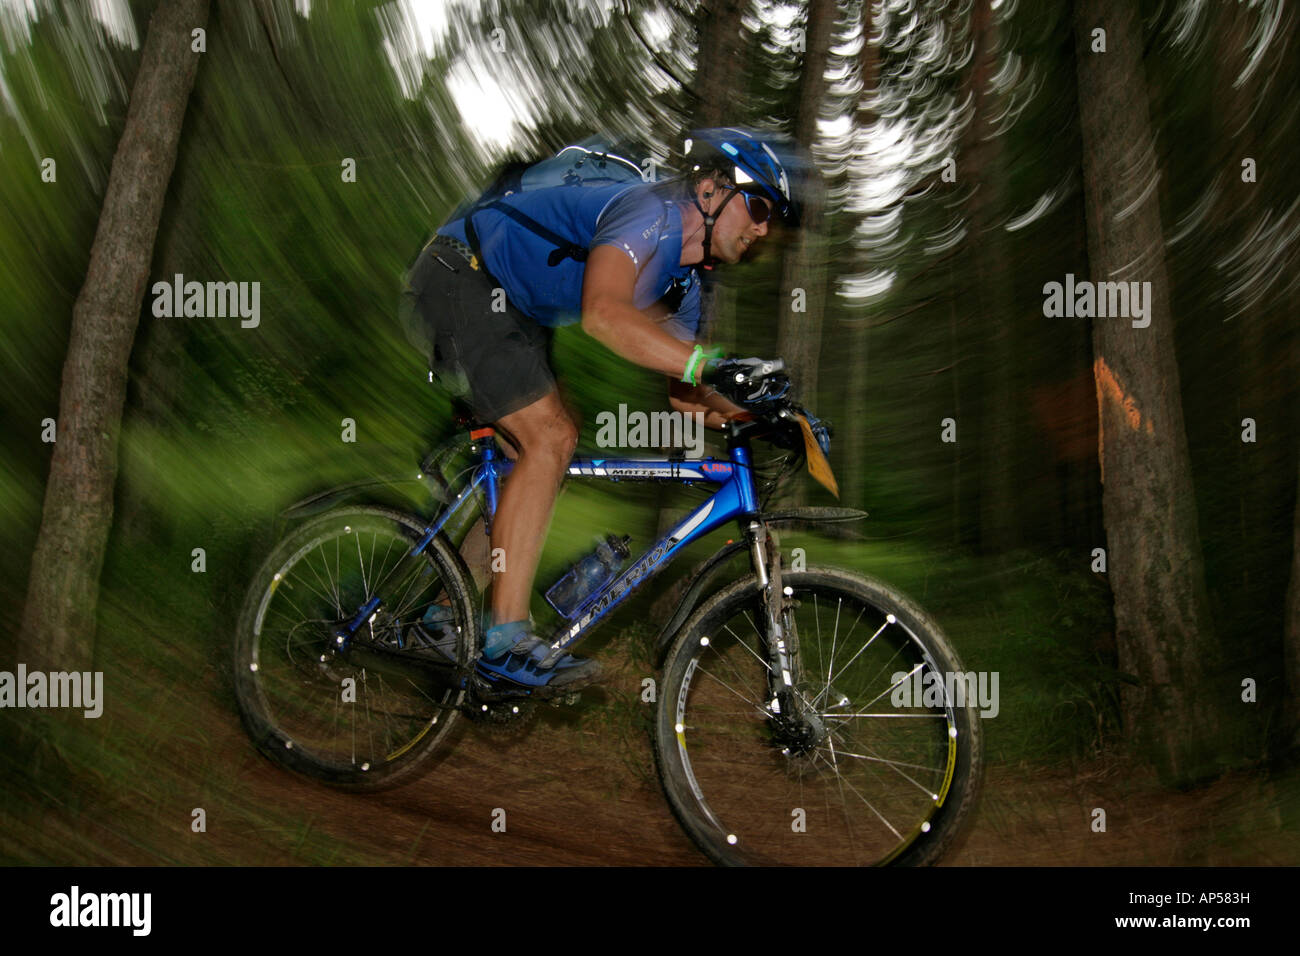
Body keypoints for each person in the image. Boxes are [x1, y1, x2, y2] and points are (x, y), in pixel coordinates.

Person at [400, 128, 798, 693]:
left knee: (537, 456)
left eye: (772, 219)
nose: (763, 228)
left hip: (511, 309)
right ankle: (505, 641)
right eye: (758, 207)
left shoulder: (686, 286)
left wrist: (760, 413)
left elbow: (684, 396)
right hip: (460, 273)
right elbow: (605, 315)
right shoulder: (649, 211)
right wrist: (710, 364)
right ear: (710, 190)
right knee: (550, 437)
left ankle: (441, 618)